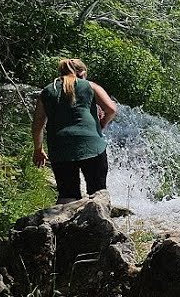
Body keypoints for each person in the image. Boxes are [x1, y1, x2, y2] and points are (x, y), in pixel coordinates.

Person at [32, 58, 119, 204]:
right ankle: (98, 224)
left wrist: (38, 149)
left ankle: (62, 225)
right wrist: (101, 124)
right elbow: (111, 109)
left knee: (67, 197)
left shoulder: (47, 91)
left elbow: (37, 124)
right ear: (83, 73)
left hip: (60, 147)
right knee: (98, 194)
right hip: (92, 145)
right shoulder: (90, 86)